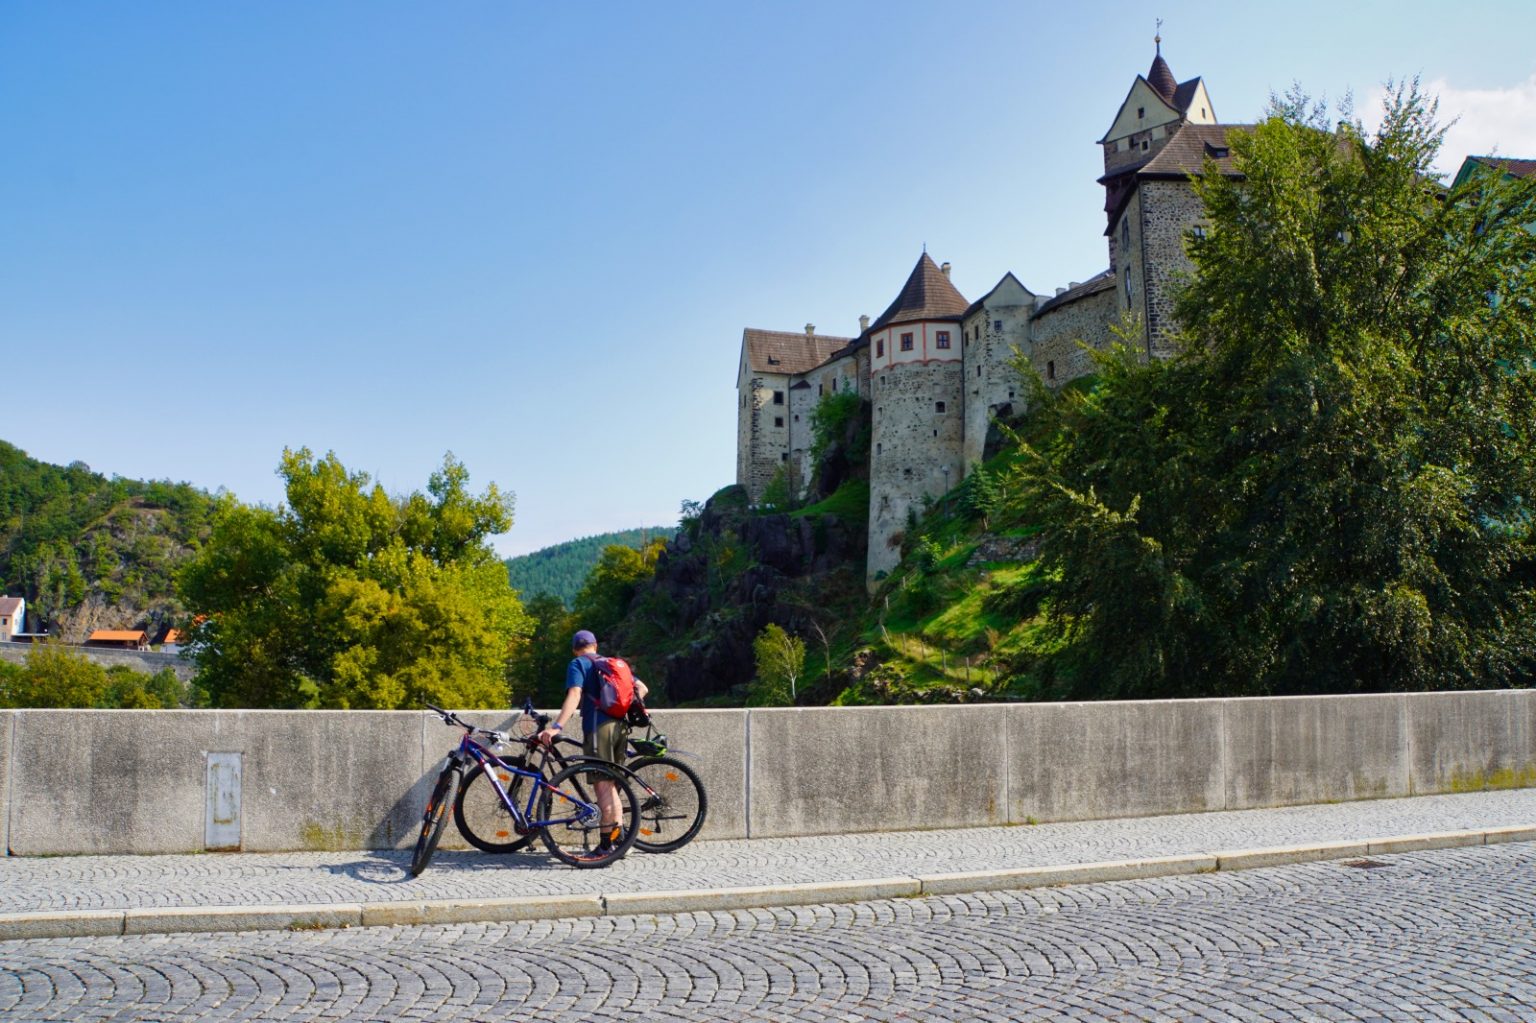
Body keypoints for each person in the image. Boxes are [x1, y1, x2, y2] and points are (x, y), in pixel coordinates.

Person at [536, 629, 648, 857]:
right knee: (614, 786)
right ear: (595, 645)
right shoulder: (612, 664)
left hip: (599, 728)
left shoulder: (578, 664)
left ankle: (607, 846)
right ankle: (620, 843)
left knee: (604, 787)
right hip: (620, 727)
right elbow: (642, 688)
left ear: (575, 649)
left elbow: (575, 695)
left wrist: (556, 727)